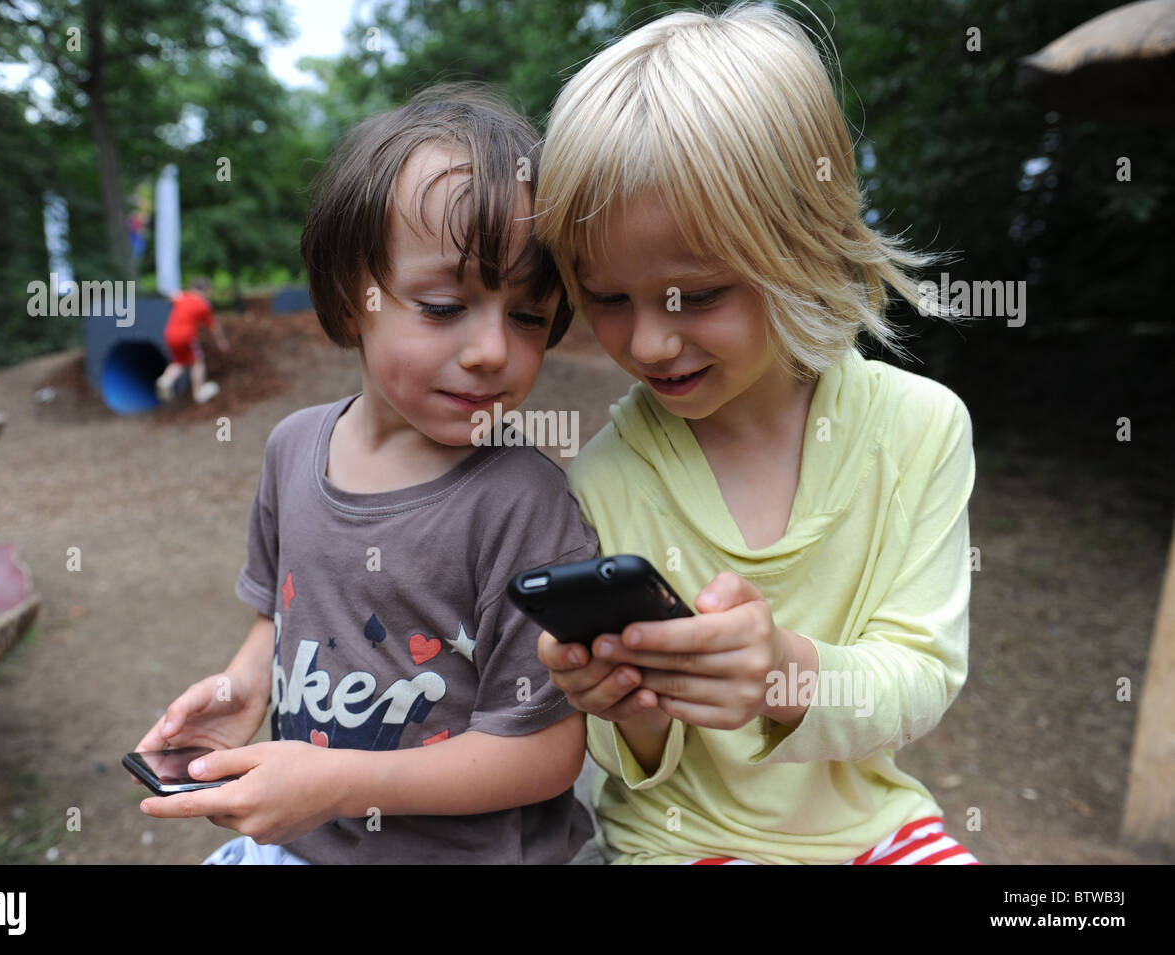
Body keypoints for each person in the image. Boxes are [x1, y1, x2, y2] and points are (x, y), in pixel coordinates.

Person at [533, 2, 980, 864]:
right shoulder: (601, 478)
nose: (650, 342)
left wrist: (783, 670)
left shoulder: (922, 430)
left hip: (874, 832)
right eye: (609, 300)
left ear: (806, 247)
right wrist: (628, 707)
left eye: (695, 295)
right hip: (682, 842)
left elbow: (921, 678)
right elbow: (629, 767)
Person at [133, 83, 598, 864]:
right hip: (301, 841)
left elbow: (545, 752)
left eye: (527, 314)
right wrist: (242, 690)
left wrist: (339, 783)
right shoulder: (293, 448)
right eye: (446, 305)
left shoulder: (523, 505)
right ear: (355, 298)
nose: (493, 349)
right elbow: (277, 614)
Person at [156, 276, 230, 405]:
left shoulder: (181, 297)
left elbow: (170, 296)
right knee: (197, 361)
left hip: (170, 335)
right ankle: (198, 392)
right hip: (186, 337)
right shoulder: (202, 305)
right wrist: (221, 341)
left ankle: (165, 380)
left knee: (180, 361)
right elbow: (213, 326)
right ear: (205, 290)